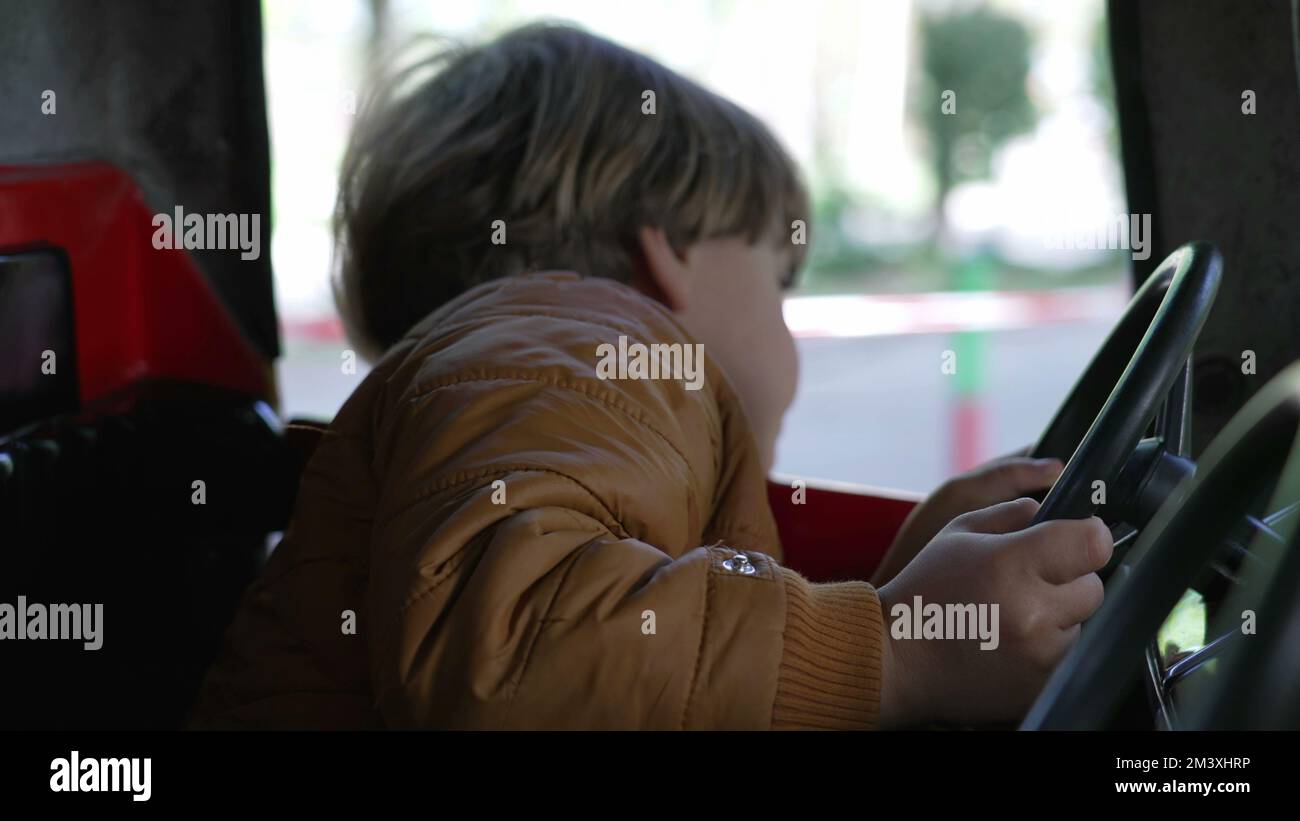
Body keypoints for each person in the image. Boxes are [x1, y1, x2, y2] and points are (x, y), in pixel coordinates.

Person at [191, 22, 1112, 730]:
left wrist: (898, 586)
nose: (788, 330)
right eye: (779, 278)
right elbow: (514, 648)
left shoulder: (543, 384)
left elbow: (647, 655)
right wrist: (892, 650)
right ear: (665, 253)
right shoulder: (579, 348)